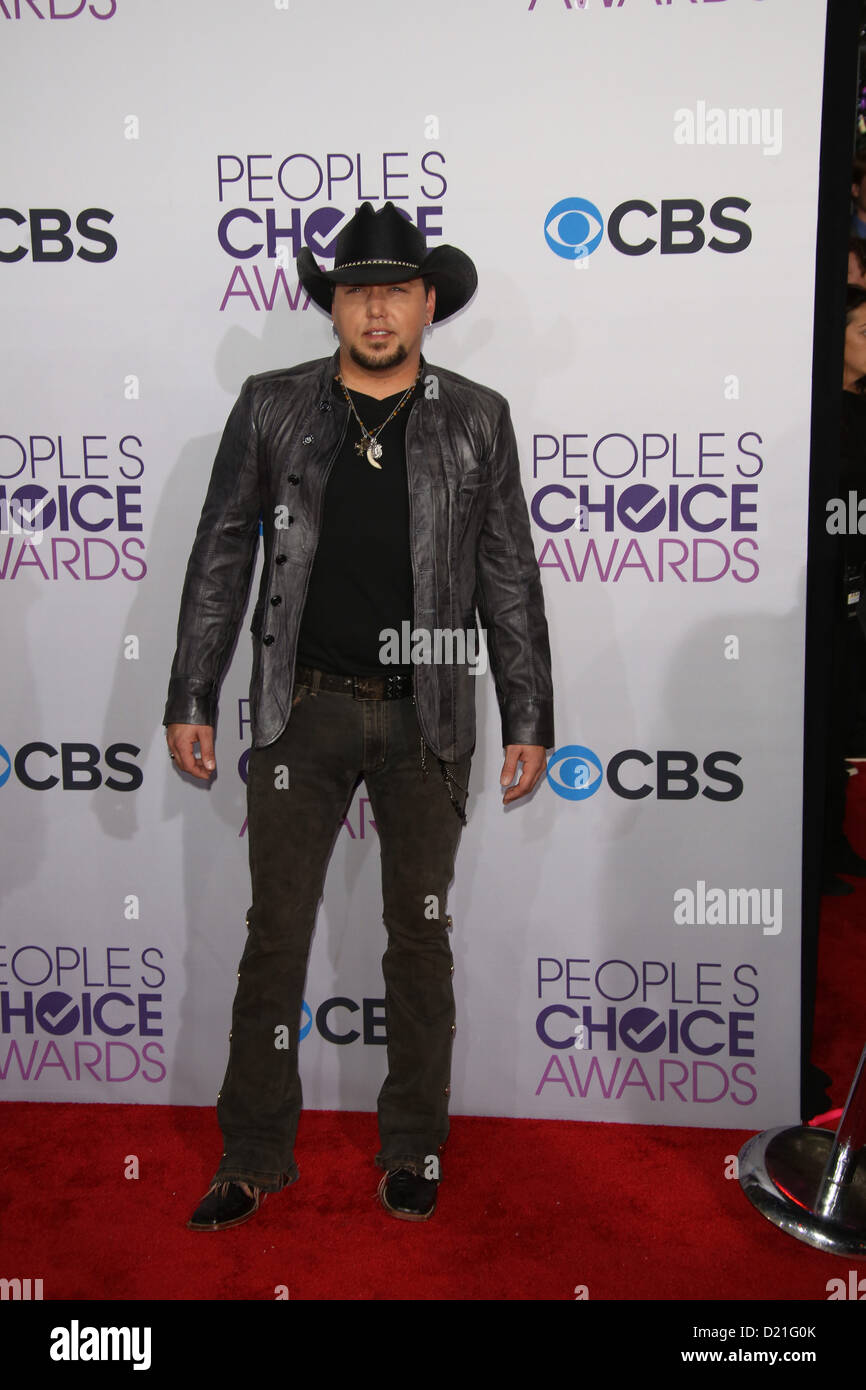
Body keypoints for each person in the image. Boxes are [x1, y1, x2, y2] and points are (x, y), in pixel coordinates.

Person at [163, 201, 555, 1229]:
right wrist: (191, 691)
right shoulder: (271, 406)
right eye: (355, 292)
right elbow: (218, 557)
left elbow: (506, 576)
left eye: (394, 290)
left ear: (428, 303)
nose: (375, 310)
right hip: (302, 710)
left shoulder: (477, 414)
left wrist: (528, 713)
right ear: (332, 304)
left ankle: (414, 1142)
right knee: (274, 938)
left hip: (425, 715)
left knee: (417, 939)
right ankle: (250, 1151)